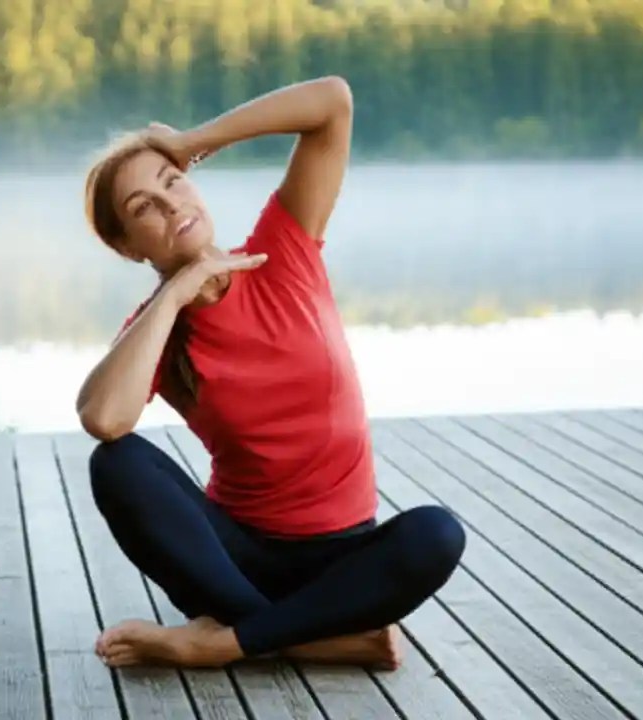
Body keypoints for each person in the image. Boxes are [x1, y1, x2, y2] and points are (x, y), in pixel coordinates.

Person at [76, 76, 466, 670]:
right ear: (130, 249)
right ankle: (307, 637)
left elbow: (332, 102)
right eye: (143, 210)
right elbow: (104, 420)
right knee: (117, 464)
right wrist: (178, 291)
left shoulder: (283, 250)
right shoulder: (159, 326)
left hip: (345, 557)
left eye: (173, 183)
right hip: (238, 560)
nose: (171, 205)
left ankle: (230, 642)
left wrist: (191, 140)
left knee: (437, 534)